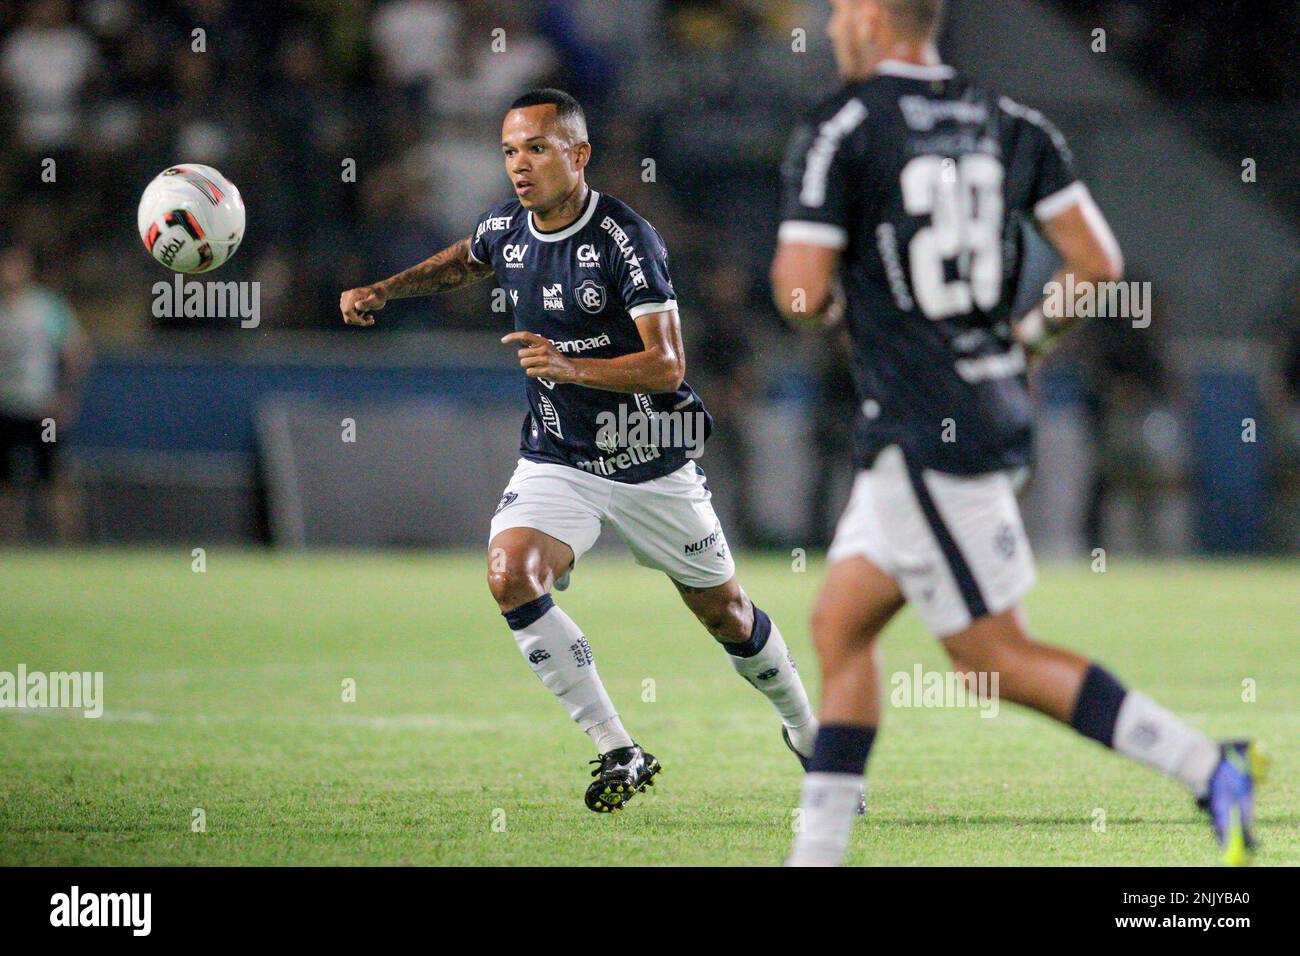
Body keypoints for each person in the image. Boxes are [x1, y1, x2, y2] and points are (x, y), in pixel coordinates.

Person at [769, 0, 1265, 865]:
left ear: (877, 20)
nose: (836, 24)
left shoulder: (842, 122)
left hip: (923, 427)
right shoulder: (1010, 121)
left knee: (990, 658)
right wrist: (1022, 341)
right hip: (982, 408)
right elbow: (1098, 265)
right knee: (840, 625)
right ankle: (815, 856)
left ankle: (1205, 765)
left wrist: (849, 308)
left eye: (844, 9)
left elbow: (802, 295)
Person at [341, 89, 822, 813]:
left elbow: (668, 367)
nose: (520, 165)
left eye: (536, 148)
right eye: (509, 151)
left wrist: (569, 367)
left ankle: (811, 737)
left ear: (578, 153)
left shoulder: (627, 239)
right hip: (559, 457)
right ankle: (618, 748)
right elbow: (465, 261)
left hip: (649, 455)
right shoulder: (507, 225)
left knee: (725, 612)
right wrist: (386, 289)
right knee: (510, 573)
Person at [0, 243, 92, 542]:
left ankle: (71, 546)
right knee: (6, 482)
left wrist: (64, 397)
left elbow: (77, 351)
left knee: (54, 475)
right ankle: (9, 548)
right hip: (6, 407)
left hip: (41, 408)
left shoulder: (46, 307)